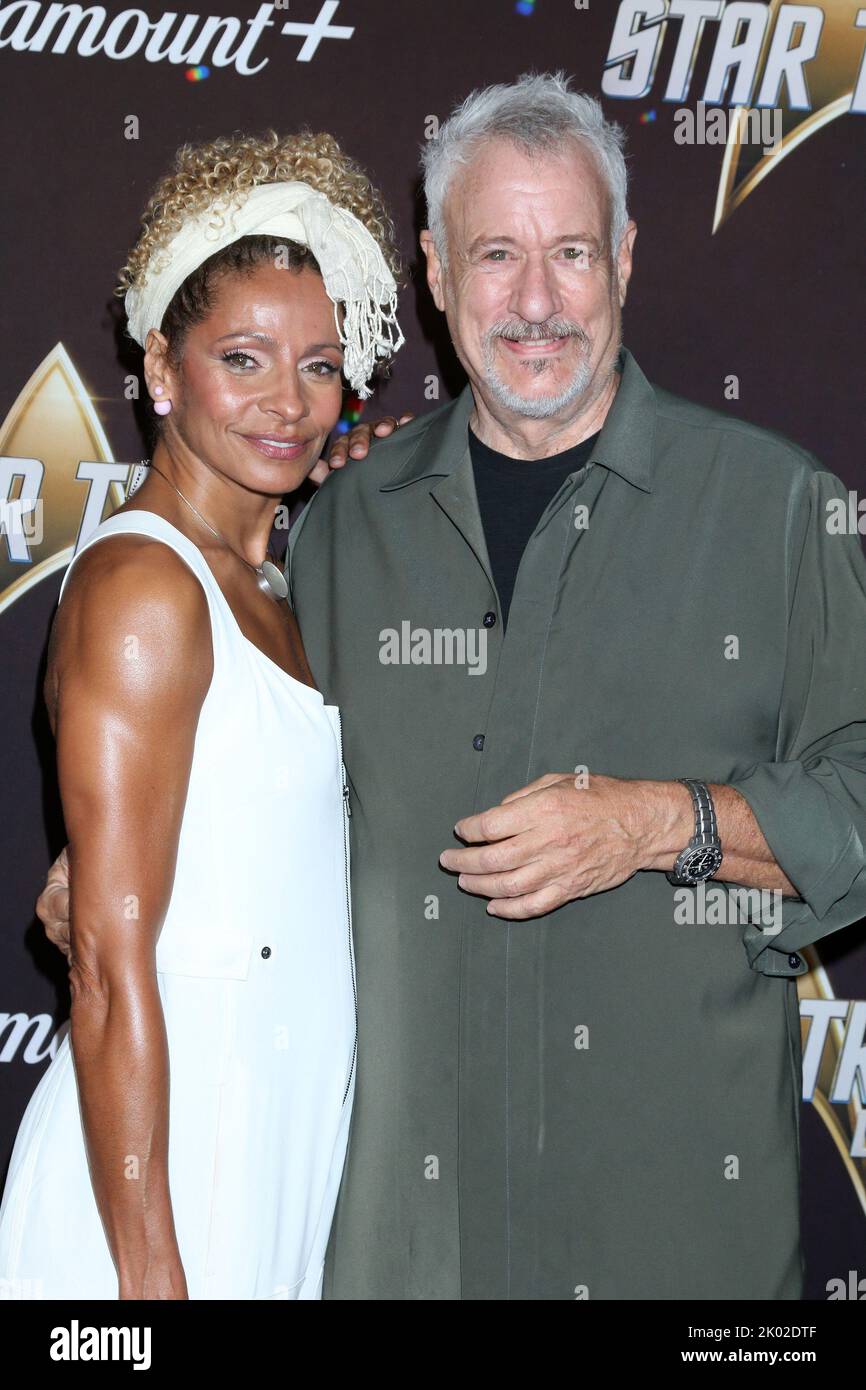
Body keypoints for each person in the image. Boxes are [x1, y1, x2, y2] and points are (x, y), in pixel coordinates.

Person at [37, 73, 866, 1301]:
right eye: (493, 254)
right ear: (431, 270)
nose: (533, 302)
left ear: (626, 258)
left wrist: (655, 824)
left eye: (570, 251)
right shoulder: (336, 526)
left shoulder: (779, 508)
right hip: (387, 1253)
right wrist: (127, 874)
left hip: (679, 1245)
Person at [0, 129, 404, 1300]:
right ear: (161, 371)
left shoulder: (281, 575)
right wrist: (149, 1278)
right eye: (244, 359)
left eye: (320, 366)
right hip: (162, 1190)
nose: (290, 403)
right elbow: (113, 973)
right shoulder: (143, 588)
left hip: (271, 1147)